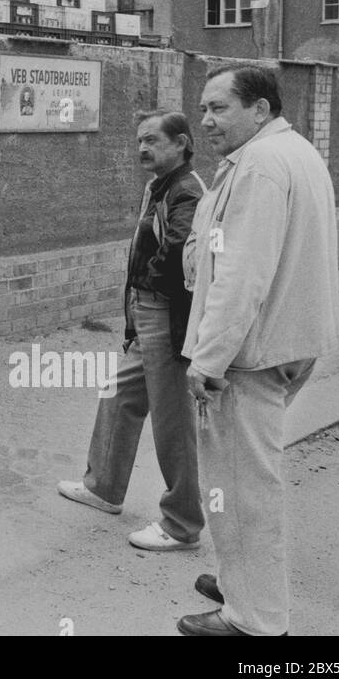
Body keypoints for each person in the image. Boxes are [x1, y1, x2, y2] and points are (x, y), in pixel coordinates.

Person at [176, 64, 339, 636]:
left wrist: (209, 358)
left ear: (261, 109)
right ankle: (238, 580)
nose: (206, 120)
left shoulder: (261, 167)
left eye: (219, 108)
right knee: (242, 477)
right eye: (203, 108)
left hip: (252, 353)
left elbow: (242, 274)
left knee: (243, 485)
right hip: (290, 341)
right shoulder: (291, 151)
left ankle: (254, 620)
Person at [58, 110, 208, 550]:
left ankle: (182, 523)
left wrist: (146, 291)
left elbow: (178, 250)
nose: (143, 148)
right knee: (120, 393)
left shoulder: (189, 191)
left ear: (181, 143)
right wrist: (135, 310)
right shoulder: (158, 186)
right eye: (140, 141)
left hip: (166, 315)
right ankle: (104, 487)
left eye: (153, 141)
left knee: (172, 421)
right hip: (147, 313)